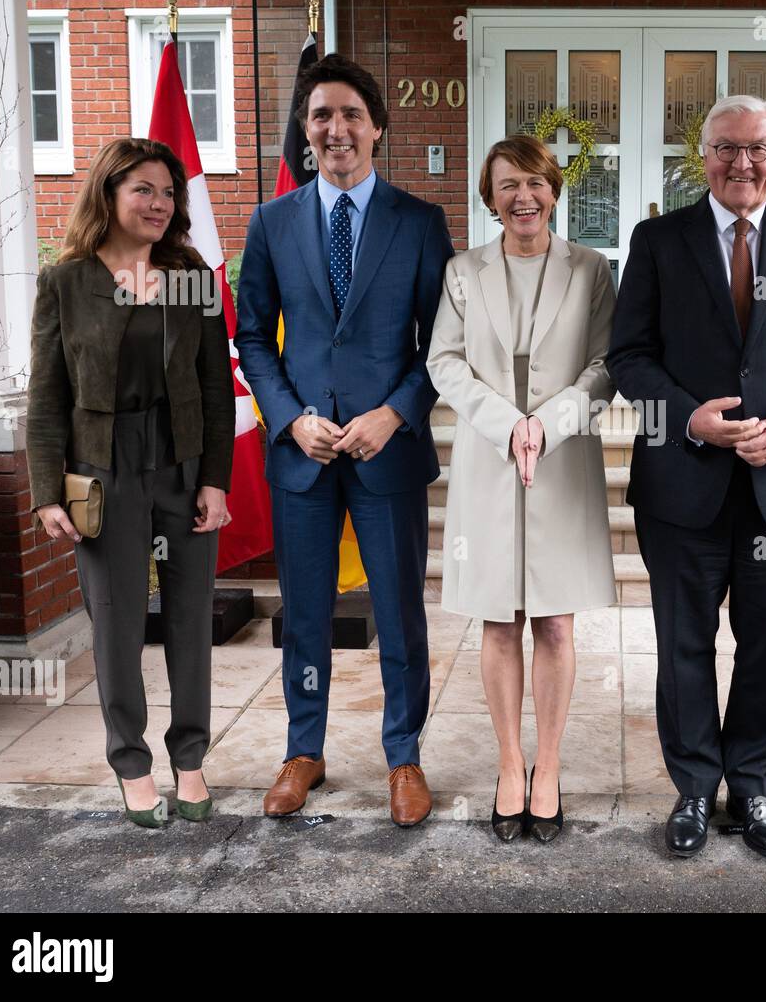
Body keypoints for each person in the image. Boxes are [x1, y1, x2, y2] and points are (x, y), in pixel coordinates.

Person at [608, 95, 766, 858]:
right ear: (702, 156)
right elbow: (628, 356)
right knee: (683, 643)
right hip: (682, 486)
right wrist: (689, 417)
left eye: (757, 149)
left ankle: (752, 786)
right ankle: (691, 787)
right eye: (725, 148)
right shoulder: (657, 239)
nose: (741, 163)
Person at [234, 54, 454, 826]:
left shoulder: (421, 223)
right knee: (304, 615)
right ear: (305, 129)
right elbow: (252, 336)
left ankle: (404, 756)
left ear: (377, 128)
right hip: (303, 454)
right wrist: (291, 416)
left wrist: (395, 411)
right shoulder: (270, 222)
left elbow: (443, 344)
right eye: (322, 115)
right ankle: (305, 751)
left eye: (352, 115)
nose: (336, 129)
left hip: (386, 452)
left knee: (398, 612)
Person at [28, 137, 235, 828]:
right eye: (143, 188)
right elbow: (46, 397)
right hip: (102, 472)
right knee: (117, 623)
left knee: (188, 619)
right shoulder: (66, 283)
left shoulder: (192, 278)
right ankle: (132, 763)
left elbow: (214, 388)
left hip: (179, 466)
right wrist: (46, 491)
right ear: (109, 193)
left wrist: (215, 481)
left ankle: (192, 757)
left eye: (169, 192)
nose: (159, 203)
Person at [427, 135, 617, 843]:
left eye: (535, 183)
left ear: (554, 190)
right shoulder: (463, 271)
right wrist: (509, 425)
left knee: (557, 622)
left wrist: (550, 423)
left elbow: (606, 363)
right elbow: (443, 361)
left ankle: (551, 767)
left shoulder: (591, 268)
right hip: (488, 458)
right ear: (490, 198)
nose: (523, 197)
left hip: (563, 461)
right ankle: (511, 764)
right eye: (508, 185)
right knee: (500, 621)